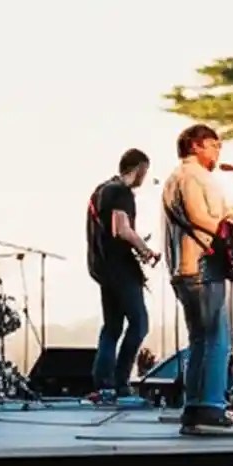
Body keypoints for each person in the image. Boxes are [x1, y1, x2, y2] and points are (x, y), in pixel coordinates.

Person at [161, 124, 233, 435]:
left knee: (201, 340)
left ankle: (195, 409)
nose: (219, 152)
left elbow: (224, 212)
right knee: (216, 339)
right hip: (201, 267)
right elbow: (197, 215)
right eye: (214, 146)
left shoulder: (188, 177)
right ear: (196, 146)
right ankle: (209, 411)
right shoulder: (190, 176)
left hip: (191, 268)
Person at [86, 148, 157, 404]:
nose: (144, 178)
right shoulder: (120, 192)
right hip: (120, 269)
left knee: (113, 326)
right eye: (144, 172)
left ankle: (103, 383)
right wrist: (145, 250)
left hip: (103, 267)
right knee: (139, 323)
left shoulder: (100, 190)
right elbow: (121, 229)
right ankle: (120, 382)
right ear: (138, 168)